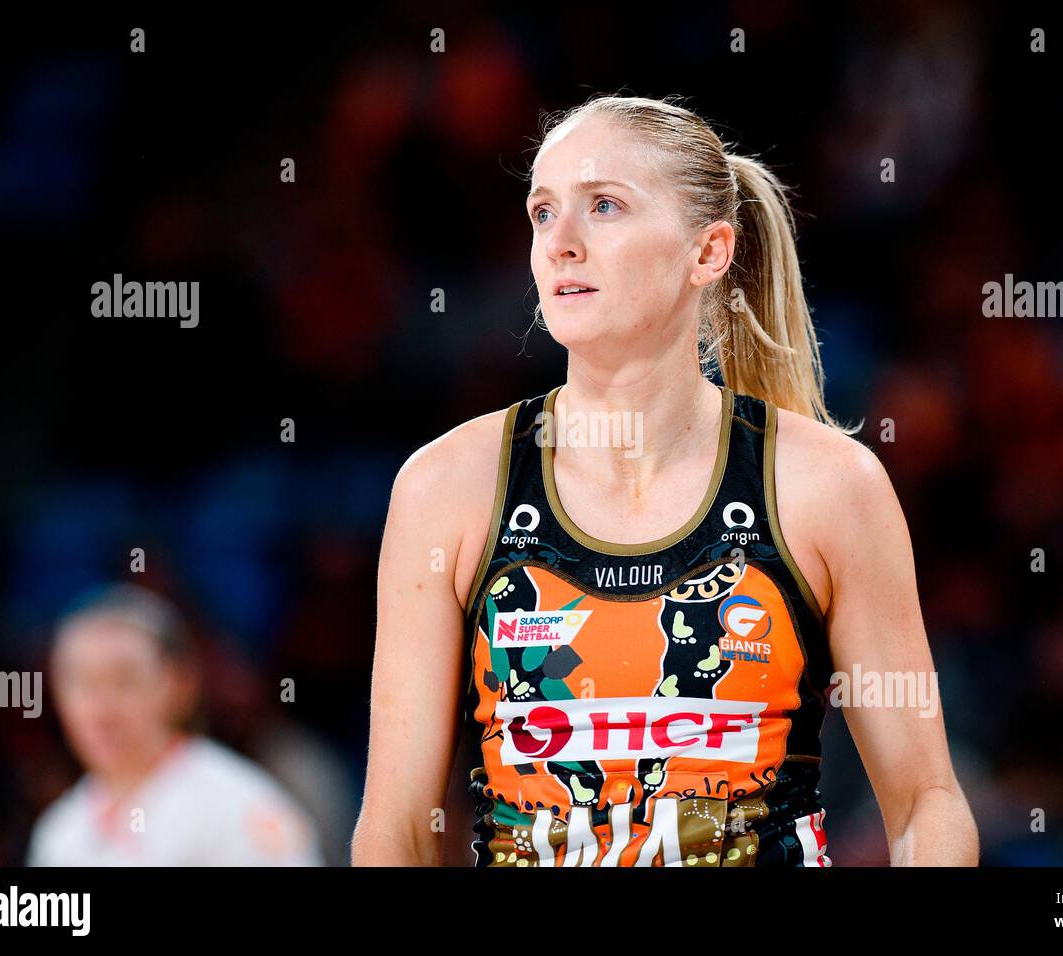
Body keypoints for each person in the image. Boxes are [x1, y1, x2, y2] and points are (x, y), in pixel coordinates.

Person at [352, 94, 978, 867]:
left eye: (604, 206)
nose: (561, 244)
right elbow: (397, 827)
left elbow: (926, 803)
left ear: (709, 252)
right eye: (543, 213)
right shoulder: (445, 487)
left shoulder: (828, 485)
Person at [27, 582, 323, 866]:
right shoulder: (59, 833)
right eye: (83, 683)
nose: (101, 709)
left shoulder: (238, 809)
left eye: (124, 680)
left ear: (180, 684)